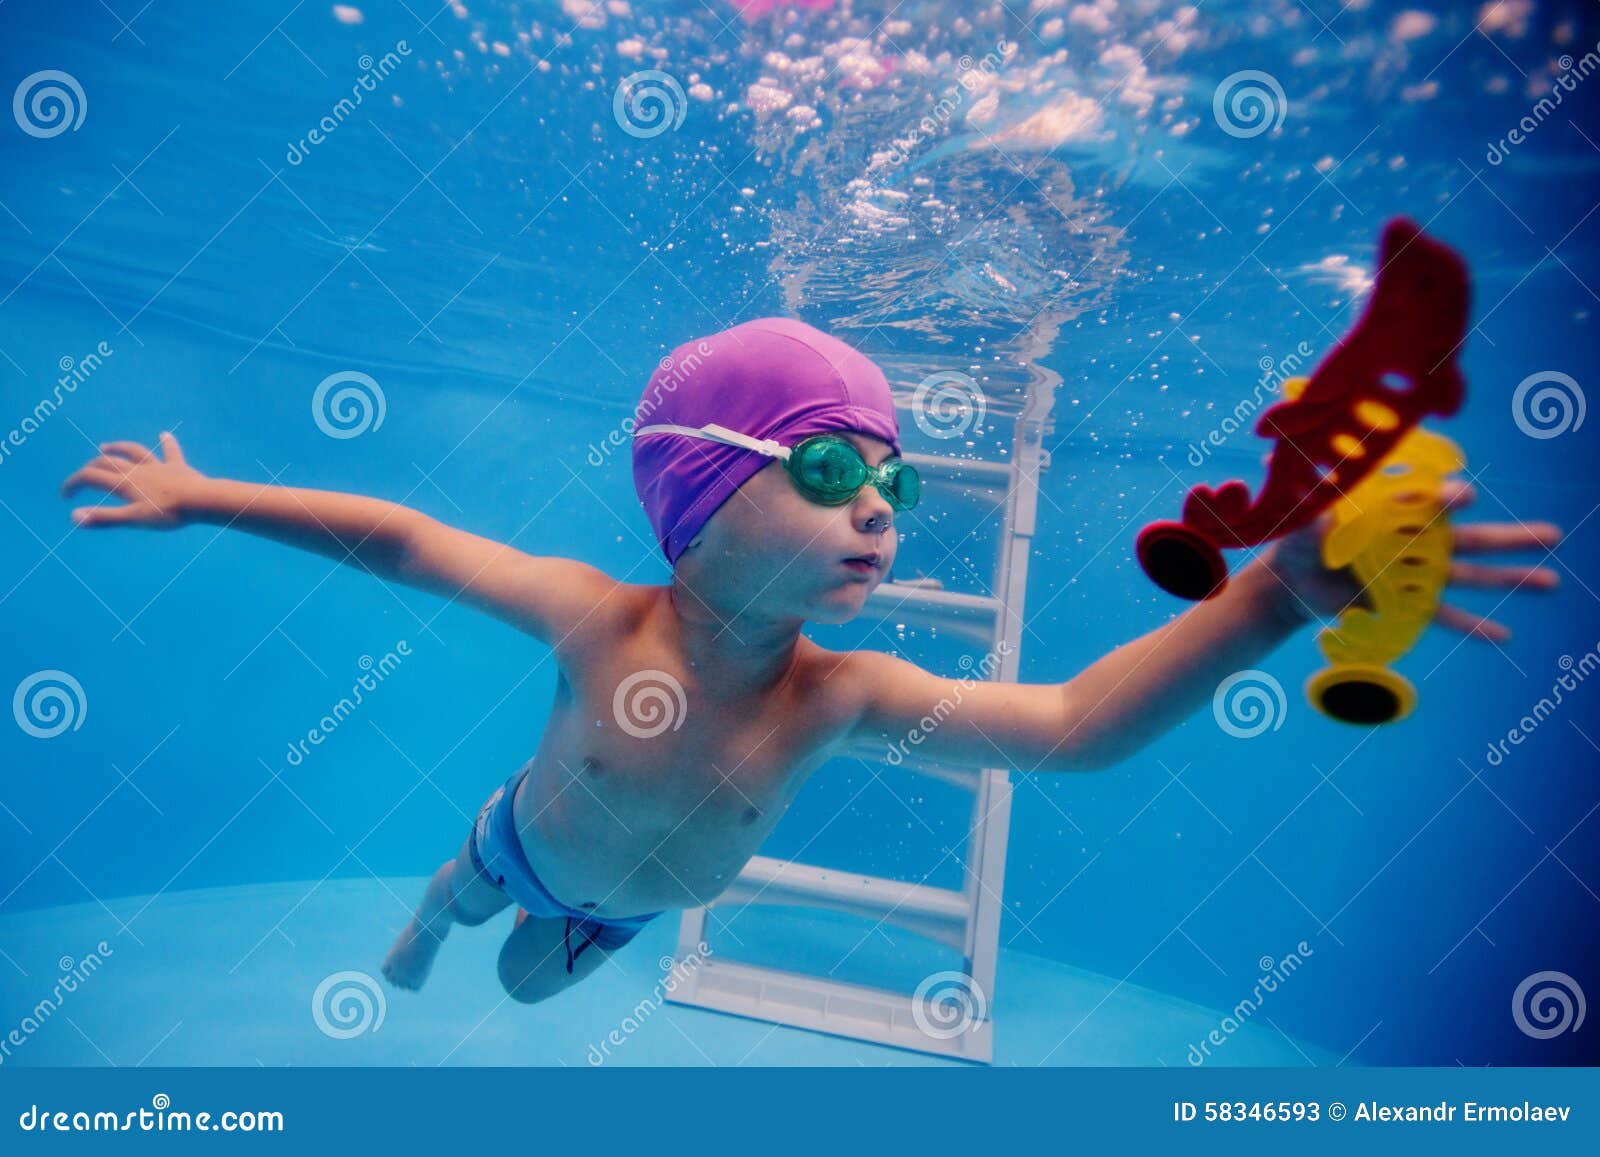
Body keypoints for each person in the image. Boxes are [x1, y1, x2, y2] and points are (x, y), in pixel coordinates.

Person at [59, 317, 1561, 1006]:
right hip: (530, 836)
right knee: (464, 898)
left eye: (894, 485)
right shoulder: (597, 615)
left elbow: (1070, 726)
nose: (880, 511)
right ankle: (425, 925)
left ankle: (514, 941)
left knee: (530, 984)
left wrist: (1277, 601)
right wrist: (205, 495)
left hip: (623, 917)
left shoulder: (840, 692)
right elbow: (398, 537)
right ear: (698, 491)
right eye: (837, 467)